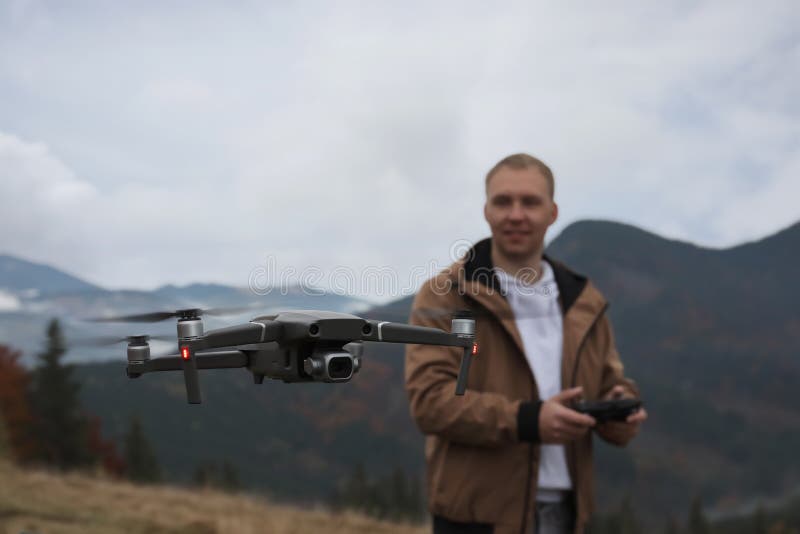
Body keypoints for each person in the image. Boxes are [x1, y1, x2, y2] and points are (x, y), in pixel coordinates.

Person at [404, 153, 647, 534]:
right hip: (475, 517)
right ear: (486, 211)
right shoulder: (445, 295)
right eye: (503, 202)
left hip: (568, 514)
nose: (516, 215)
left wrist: (620, 409)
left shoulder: (585, 302)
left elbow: (610, 381)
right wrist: (529, 420)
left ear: (552, 213)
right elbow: (430, 402)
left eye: (530, 202)